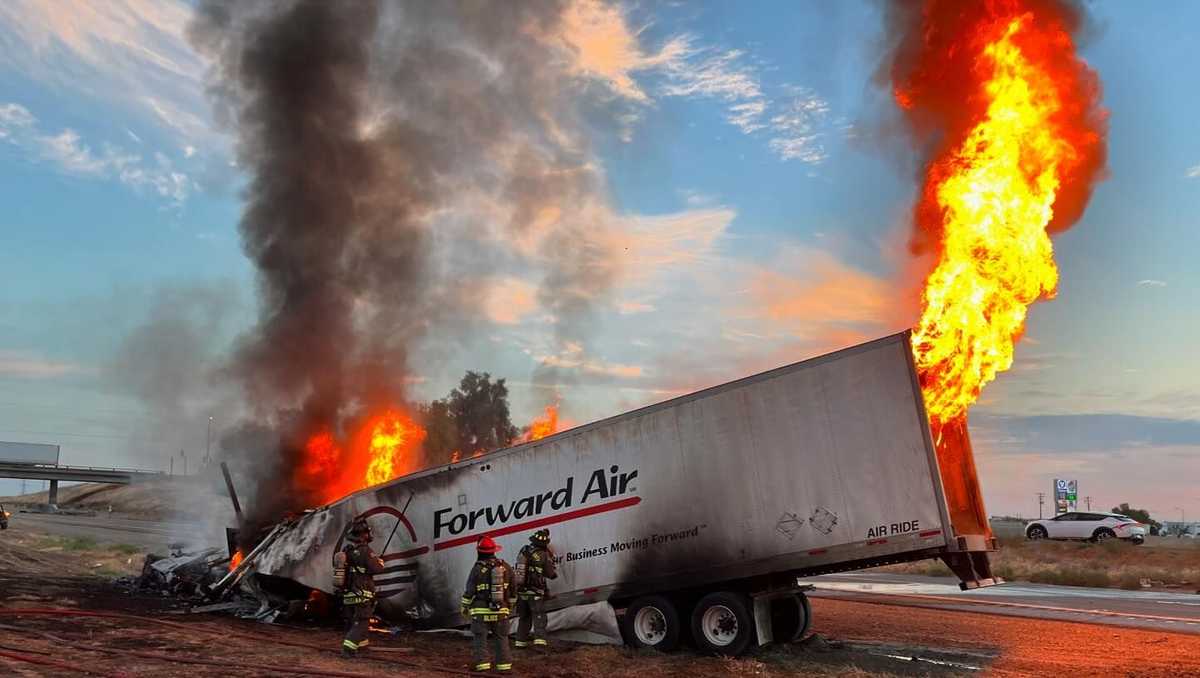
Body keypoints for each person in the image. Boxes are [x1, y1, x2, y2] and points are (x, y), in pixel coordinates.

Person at [461, 536, 515, 673]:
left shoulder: (477, 569)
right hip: (501, 611)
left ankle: (483, 666)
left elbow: (469, 591)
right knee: (502, 638)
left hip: (480, 612)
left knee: (480, 639)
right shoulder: (506, 567)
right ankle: (504, 667)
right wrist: (509, 606)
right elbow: (514, 591)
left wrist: (464, 607)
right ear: (494, 551)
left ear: (479, 551)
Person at [338, 517, 384, 658]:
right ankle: (348, 649)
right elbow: (377, 569)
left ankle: (362, 646)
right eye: (367, 532)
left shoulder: (348, 551)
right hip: (362, 593)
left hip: (349, 593)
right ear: (364, 535)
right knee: (362, 622)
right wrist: (380, 562)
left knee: (357, 620)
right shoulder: (365, 551)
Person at [514, 528, 556, 649]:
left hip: (521, 591)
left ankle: (520, 642)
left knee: (524, 617)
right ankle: (540, 643)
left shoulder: (524, 550)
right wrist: (552, 563)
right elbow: (551, 574)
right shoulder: (543, 554)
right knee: (539, 616)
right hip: (535, 592)